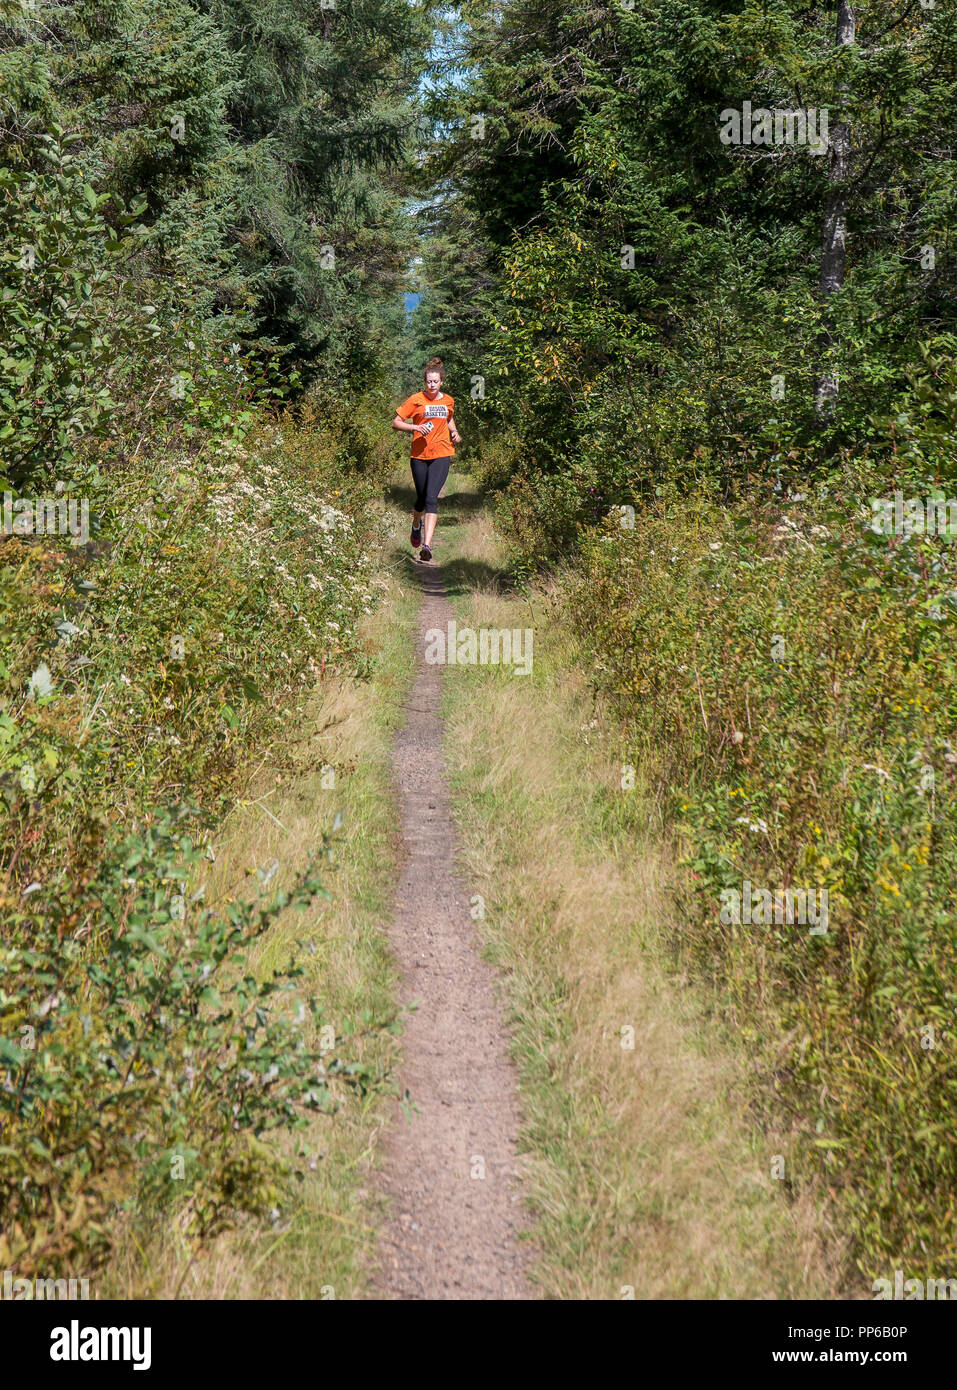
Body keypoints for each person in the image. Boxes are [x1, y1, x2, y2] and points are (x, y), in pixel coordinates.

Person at [392, 358, 461, 561]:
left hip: (442, 454)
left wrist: (454, 431)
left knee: (432, 498)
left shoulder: (448, 400)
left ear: (441, 382)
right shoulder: (416, 400)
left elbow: (448, 418)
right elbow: (396, 423)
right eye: (429, 382)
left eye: (436, 382)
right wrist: (414, 427)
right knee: (421, 499)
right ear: (425, 382)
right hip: (419, 456)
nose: (432, 385)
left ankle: (427, 546)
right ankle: (416, 523)